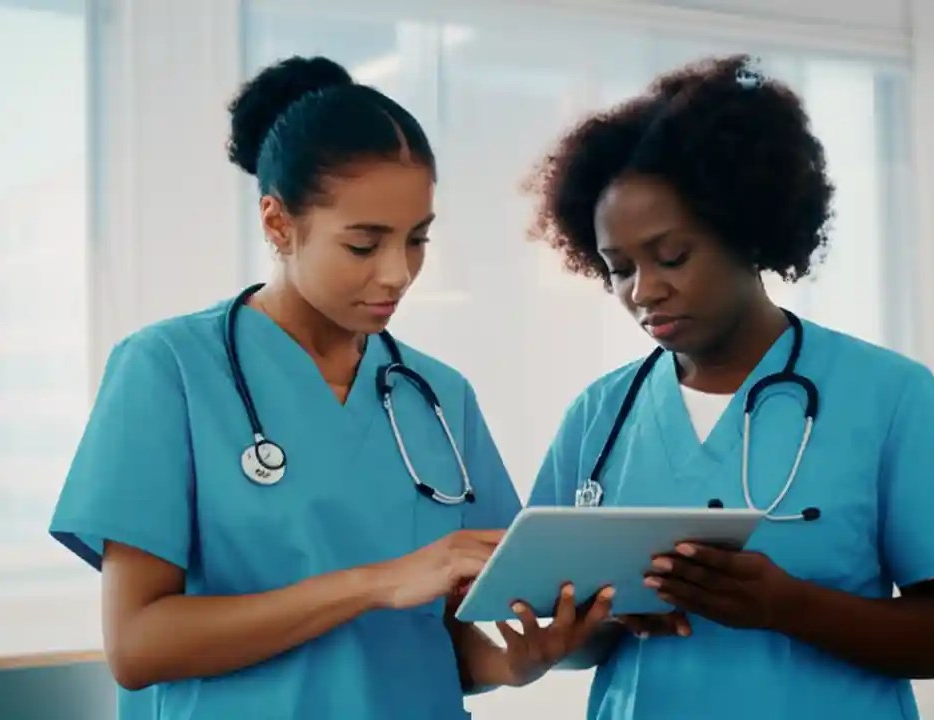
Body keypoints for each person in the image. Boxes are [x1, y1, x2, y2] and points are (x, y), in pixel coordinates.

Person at [49, 56, 611, 720]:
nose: (398, 273)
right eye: (363, 244)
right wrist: (376, 583)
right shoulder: (168, 370)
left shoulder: (438, 395)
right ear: (278, 223)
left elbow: (437, 638)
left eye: (417, 239)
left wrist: (514, 666)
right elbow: (139, 647)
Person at [522, 55, 934, 719]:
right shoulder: (599, 415)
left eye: (673, 257)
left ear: (747, 232)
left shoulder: (887, 395)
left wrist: (787, 606)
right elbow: (561, 633)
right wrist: (602, 621)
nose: (645, 290)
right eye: (619, 269)